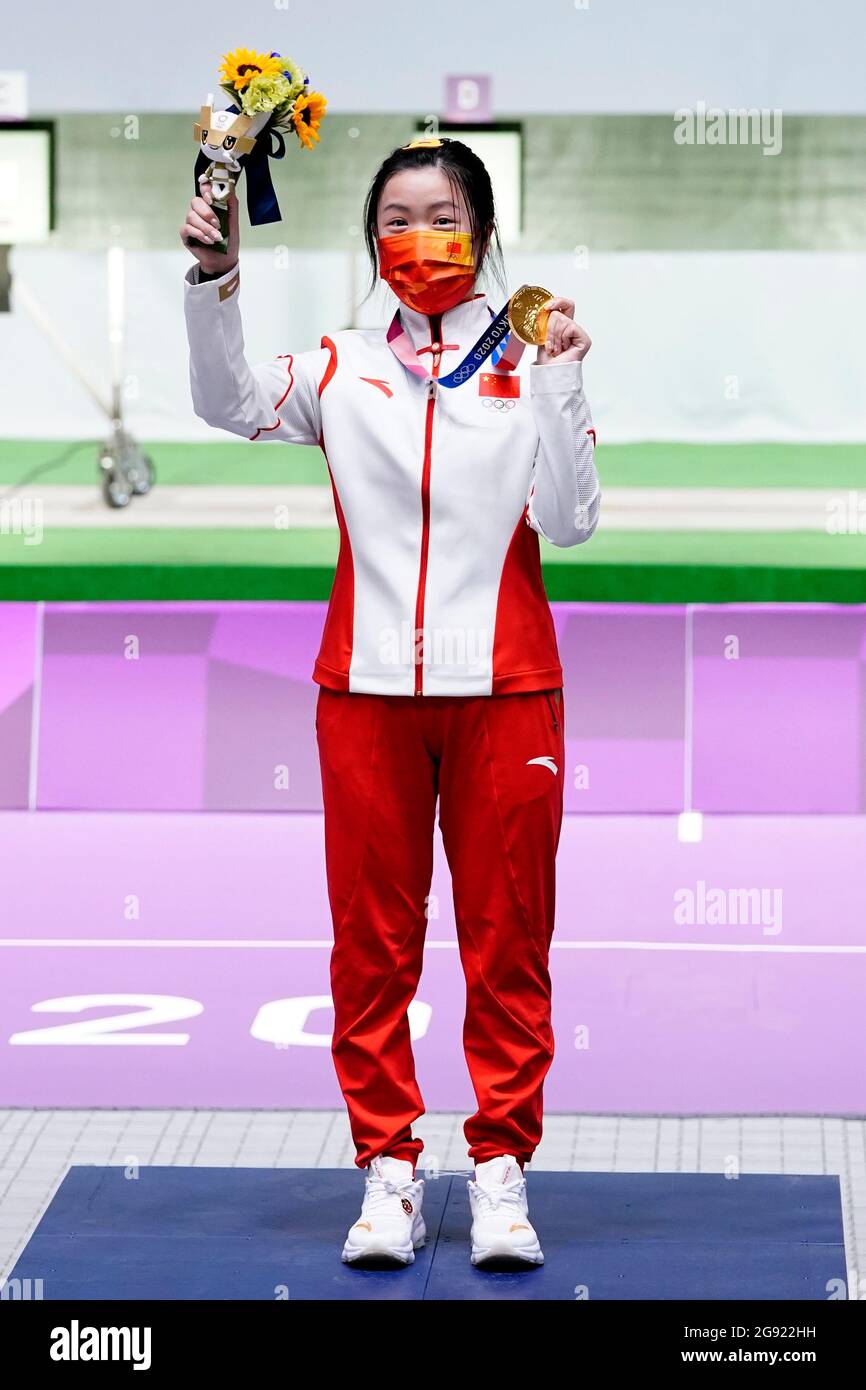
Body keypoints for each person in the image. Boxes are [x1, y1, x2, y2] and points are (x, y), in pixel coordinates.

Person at [180, 135, 601, 1270]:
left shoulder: (527, 357)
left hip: (505, 689)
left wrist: (560, 379)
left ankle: (501, 1170)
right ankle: (390, 1170)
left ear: (483, 228)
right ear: (372, 238)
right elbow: (223, 398)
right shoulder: (339, 365)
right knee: (372, 947)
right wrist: (211, 279)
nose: (420, 239)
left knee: (508, 940)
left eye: (443, 215)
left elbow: (569, 521)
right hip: (363, 692)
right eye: (398, 219)